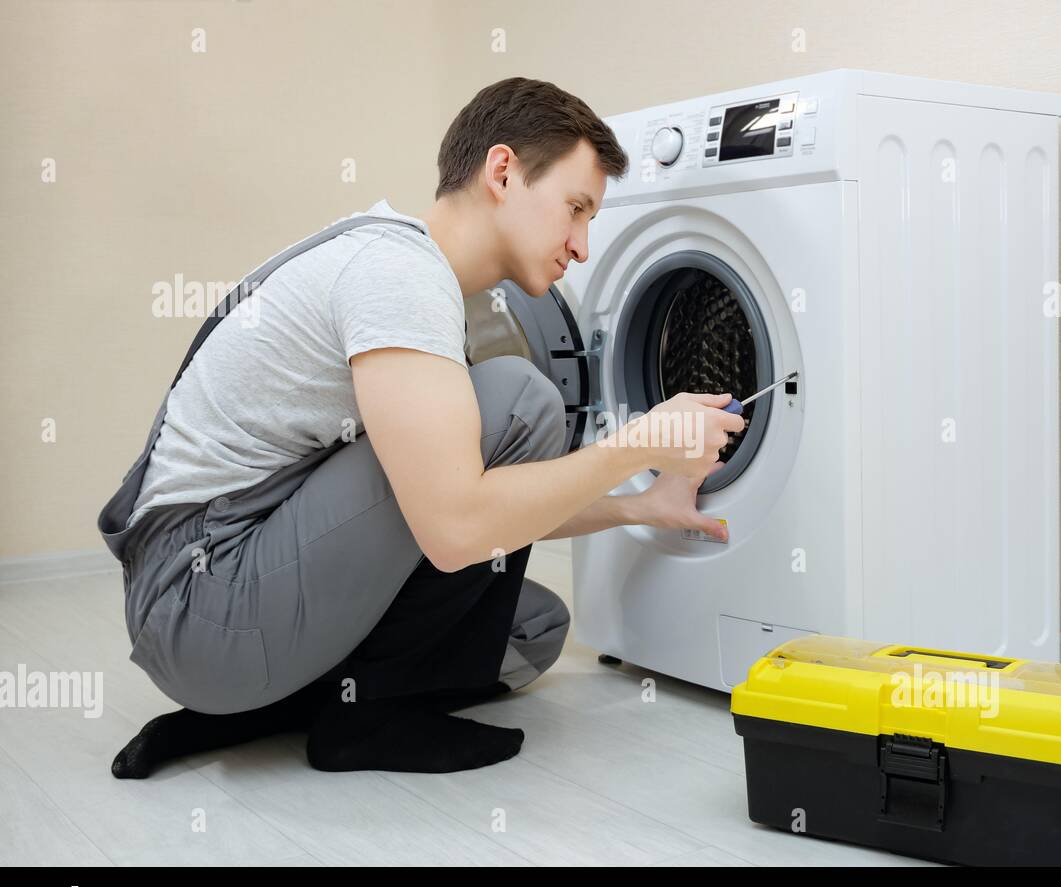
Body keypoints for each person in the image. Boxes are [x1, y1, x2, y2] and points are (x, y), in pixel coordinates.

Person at [97, 76, 745, 778]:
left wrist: (640, 505)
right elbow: (457, 526)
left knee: (531, 632)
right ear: (502, 171)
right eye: (576, 208)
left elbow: (457, 503)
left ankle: (279, 710)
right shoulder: (398, 277)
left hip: (217, 602)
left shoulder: (401, 269)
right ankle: (368, 720)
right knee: (519, 399)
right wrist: (645, 440)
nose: (581, 245)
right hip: (205, 604)